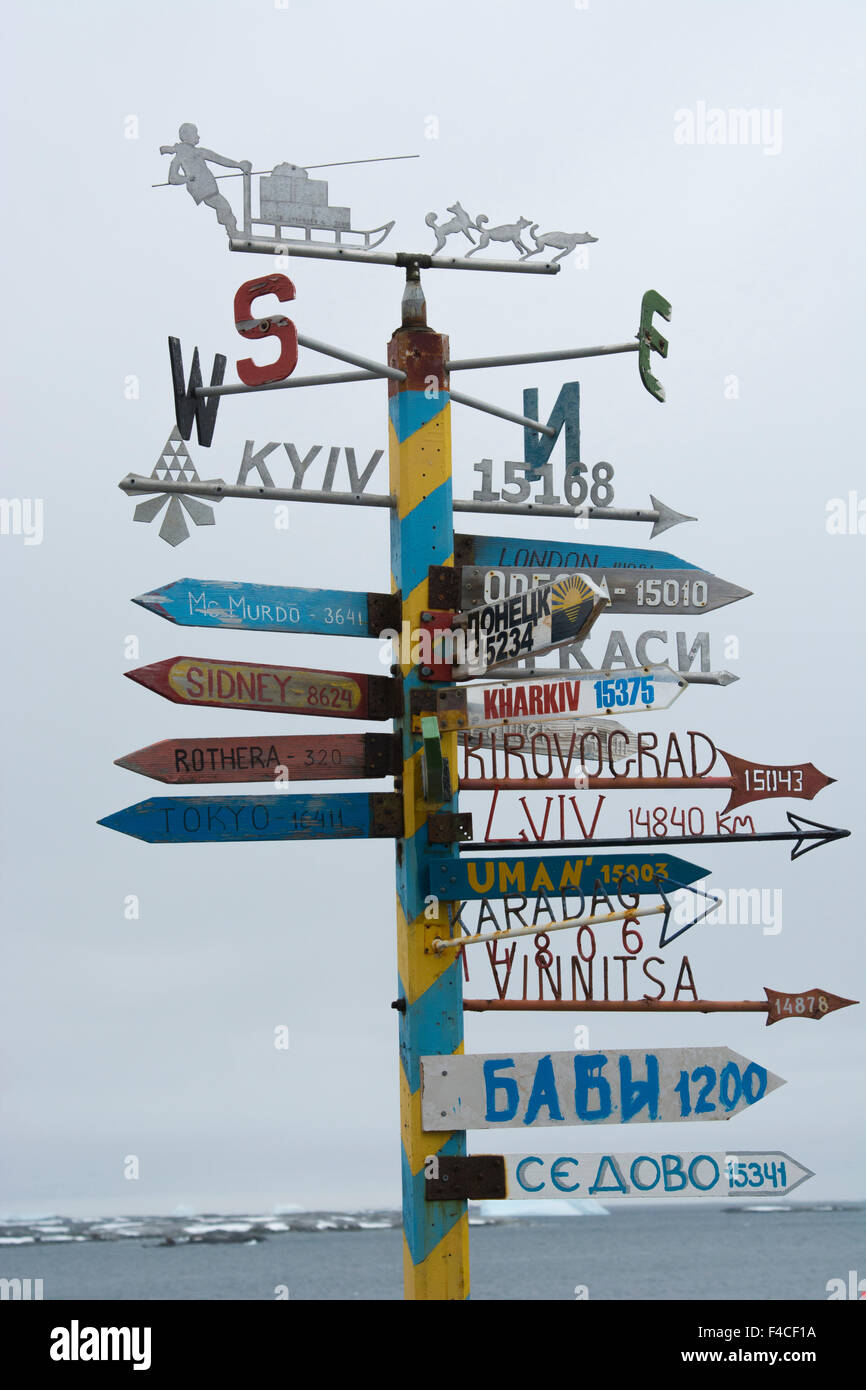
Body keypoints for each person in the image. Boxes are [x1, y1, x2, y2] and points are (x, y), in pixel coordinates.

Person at [161, 124, 250, 236]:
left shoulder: (197, 151)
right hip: (202, 188)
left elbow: (218, 158)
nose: (198, 137)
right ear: (186, 135)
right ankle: (232, 231)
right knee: (224, 206)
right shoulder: (181, 155)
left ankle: (232, 230)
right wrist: (187, 178)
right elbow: (173, 178)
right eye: (195, 134)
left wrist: (238, 165)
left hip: (207, 186)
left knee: (223, 206)